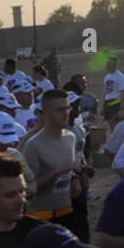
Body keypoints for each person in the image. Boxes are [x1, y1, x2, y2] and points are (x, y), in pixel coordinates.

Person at [22, 91, 85, 239]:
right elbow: (29, 188)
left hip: (67, 213)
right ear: (46, 113)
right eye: (59, 110)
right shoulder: (33, 145)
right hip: (41, 217)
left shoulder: (71, 137)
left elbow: (70, 169)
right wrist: (59, 172)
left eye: (67, 108)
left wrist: (74, 179)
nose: (66, 113)